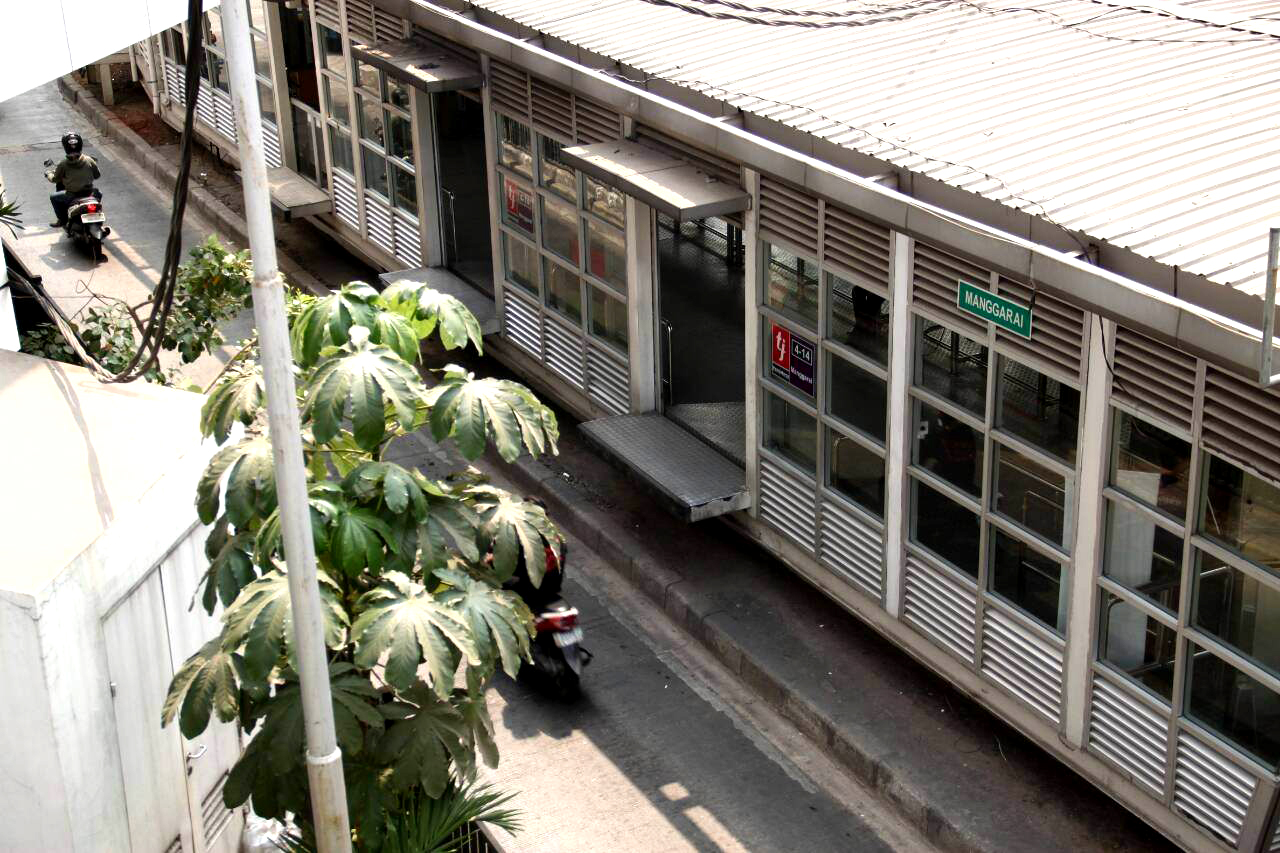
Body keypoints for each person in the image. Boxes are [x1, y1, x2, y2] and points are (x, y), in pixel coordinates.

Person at [47, 132, 101, 228]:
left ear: (65, 146)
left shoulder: (63, 164)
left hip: (72, 195)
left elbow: (55, 179)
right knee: (99, 193)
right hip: (89, 193)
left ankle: (62, 220)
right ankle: (96, 212)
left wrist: (48, 174)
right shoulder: (89, 160)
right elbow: (97, 175)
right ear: (80, 144)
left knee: (53, 197)